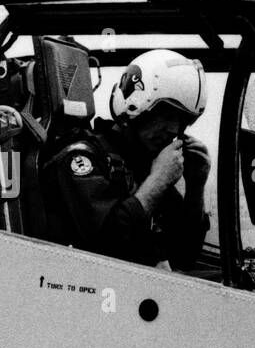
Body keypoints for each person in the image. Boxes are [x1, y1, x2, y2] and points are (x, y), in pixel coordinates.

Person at [41, 49, 211, 270]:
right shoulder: (81, 158)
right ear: (137, 104)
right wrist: (157, 182)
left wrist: (196, 186)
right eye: (168, 115)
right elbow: (106, 247)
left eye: (182, 122)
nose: (174, 130)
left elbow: (184, 256)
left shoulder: (144, 165)